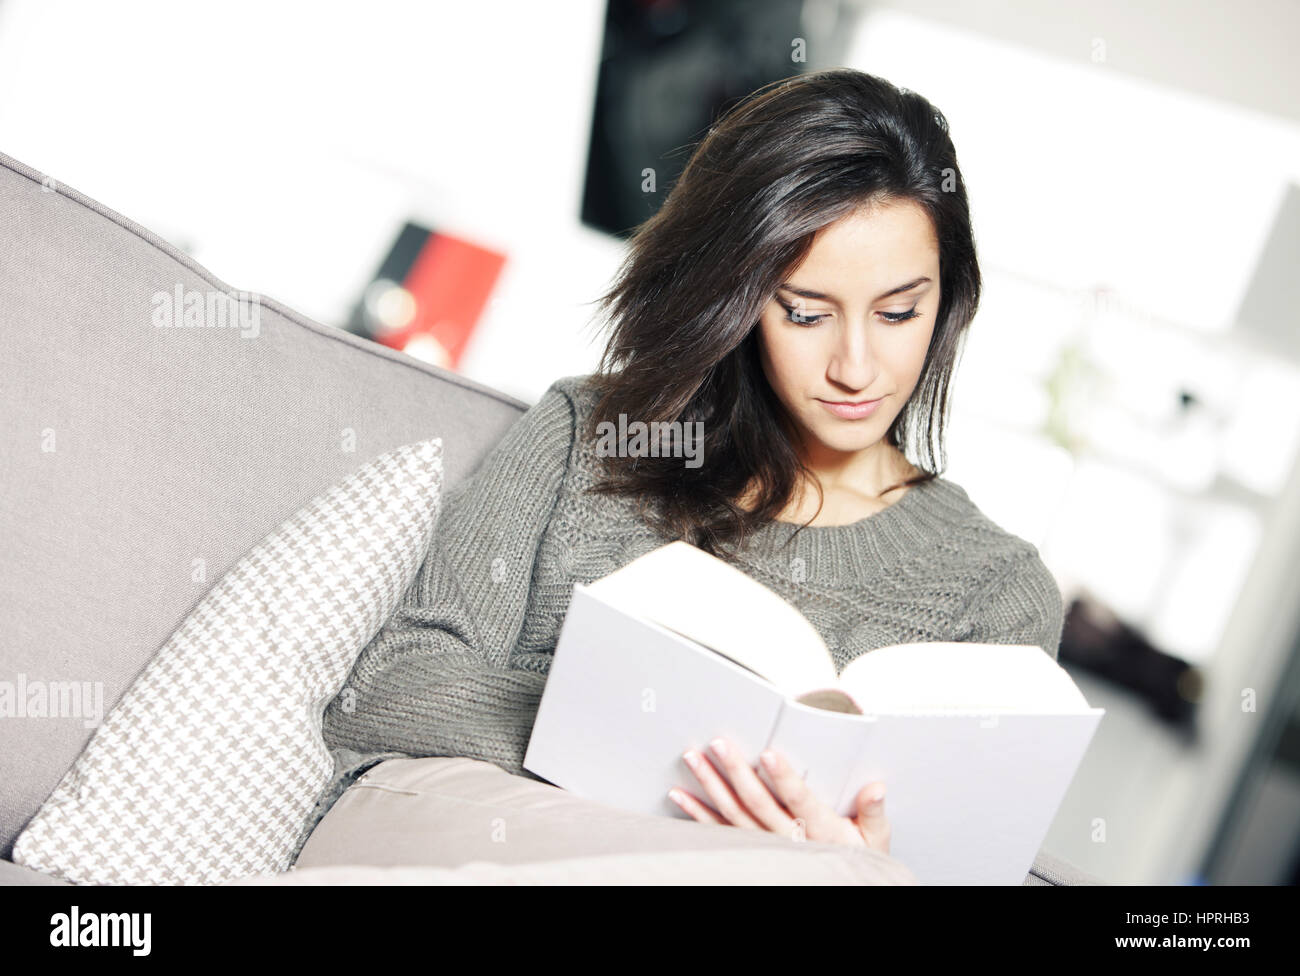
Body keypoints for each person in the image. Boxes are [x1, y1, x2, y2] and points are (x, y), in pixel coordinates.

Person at [313, 68, 1064, 883]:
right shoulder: (590, 434)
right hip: (459, 826)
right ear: (736, 298)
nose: (857, 366)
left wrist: (857, 859)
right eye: (806, 312)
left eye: (898, 312)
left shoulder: (996, 590)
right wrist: (670, 756)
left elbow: (963, 861)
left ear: (949, 301)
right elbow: (387, 690)